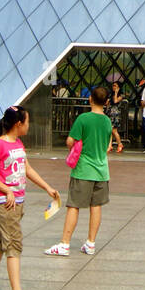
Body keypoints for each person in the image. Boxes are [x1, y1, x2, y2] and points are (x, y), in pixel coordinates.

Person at [0, 105, 60, 290]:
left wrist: (47, 187)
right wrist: (6, 190)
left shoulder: (17, 144)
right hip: (5, 202)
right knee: (13, 243)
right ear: (18, 124)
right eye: (27, 121)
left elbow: (27, 169)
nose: (28, 125)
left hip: (17, 201)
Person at [45, 86, 112, 257]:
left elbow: (70, 141)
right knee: (96, 206)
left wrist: (76, 147)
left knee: (74, 206)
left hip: (83, 170)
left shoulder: (83, 119)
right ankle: (90, 243)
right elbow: (107, 146)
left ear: (90, 99)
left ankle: (65, 244)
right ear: (106, 102)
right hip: (102, 171)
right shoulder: (107, 121)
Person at [106, 80, 125, 153]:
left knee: (114, 130)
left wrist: (116, 93)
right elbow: (108, 103)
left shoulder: (121, 95)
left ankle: (119, 144)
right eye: (113, 85)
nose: (113, 87)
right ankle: (110, 145)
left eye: (115, 86)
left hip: (115, 114)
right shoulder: (111, 94)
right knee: (110, 130)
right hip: (109, 113)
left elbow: (115, 101)